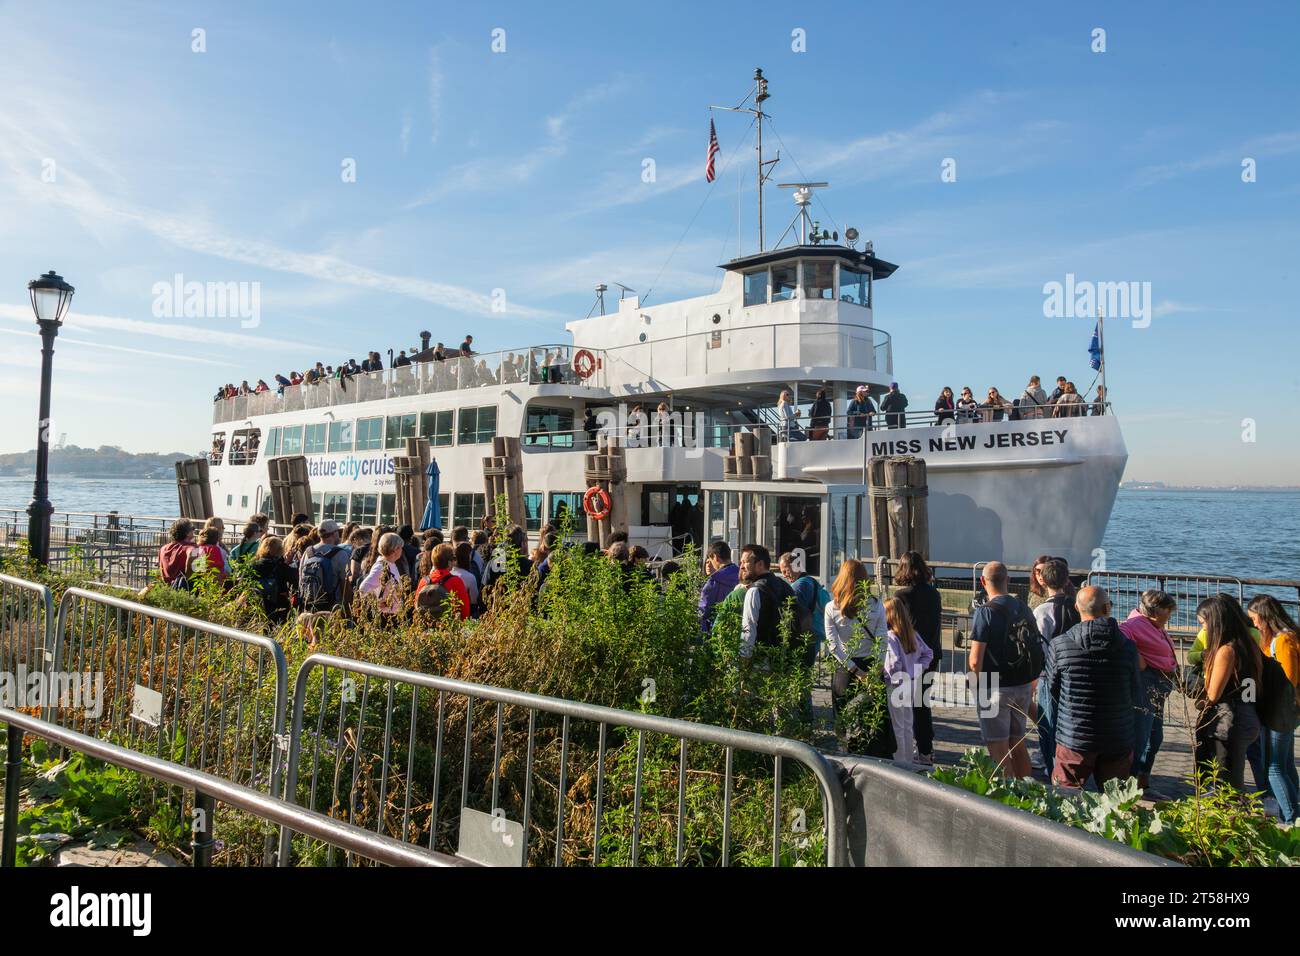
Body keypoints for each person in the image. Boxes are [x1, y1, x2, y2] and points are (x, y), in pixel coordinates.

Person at [1047, 586, 1139, 788]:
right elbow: (1135, 690)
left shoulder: (1060, 645)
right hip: (1118, 735)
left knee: (1065, 799)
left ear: (1077, 607)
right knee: (1116, 802)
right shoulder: (1128, 647)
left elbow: (1053, 688)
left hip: (1074, 735)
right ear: (1107, 608)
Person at [968, 561, 1039, 778]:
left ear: (983, 581)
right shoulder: (1024, 608)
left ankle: (1007, 797)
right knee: (1017, 744)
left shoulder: (985, 613)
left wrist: (974, 687)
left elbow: (974, 660)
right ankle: (1026, 789)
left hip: (995, 688)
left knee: (997, 748)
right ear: (1008, 580)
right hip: (1023, 685)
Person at [1194, 594, 1263, 791]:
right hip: (1249, 714)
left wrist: (1201, 701)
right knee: (1235, 776)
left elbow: (1213, 694)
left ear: (1216, 621)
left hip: (1229, 720)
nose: (1203, 628)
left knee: (1222, 783)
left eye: (1203, 622)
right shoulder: (1249, 643)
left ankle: (1225, 818)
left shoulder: (1227, 650)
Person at [1118, 589, 1179, 794]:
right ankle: (1130, 785)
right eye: (1167, 611)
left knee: (1156, 736)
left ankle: (1142, 781)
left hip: (1159, 685)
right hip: (1147, 684)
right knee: (1142, 736)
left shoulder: (1154, 624)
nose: (1170, 615)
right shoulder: (1134, 624)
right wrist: (1137, 655)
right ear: (1154, 611)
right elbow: (1121, 638)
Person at [1246, 595, 1300, 822]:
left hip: (1279, 710)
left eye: (1255, 619)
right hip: (1285, 710)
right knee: (1285, 763)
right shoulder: (1288, 636)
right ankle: (1295, 809)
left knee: (1274, 767)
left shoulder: (1283, 641)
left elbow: (1289, 678)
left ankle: (1290, 817)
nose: (1254, 624)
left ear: (1265, 617)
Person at [1031, 558, 1081, 779]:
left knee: (1047, 723)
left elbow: (1039, 646)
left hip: (1049, 674)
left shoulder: (1042, 611)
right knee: (1070, 724)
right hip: (1077, 673)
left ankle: (1051, 767)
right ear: (1067, 579)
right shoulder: (1077, 607)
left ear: (1043, 581)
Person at [893, 551, 943, 765]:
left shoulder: (901, 596)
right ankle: (926, 750)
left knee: (905, 704)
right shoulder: (935, 593)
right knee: (922, 703)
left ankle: (906, 748)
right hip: (930, 654)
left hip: (908, 656)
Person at [824, 559, 887, 718]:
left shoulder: (832, 607)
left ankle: (842, 743)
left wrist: (855, 670)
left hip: (845, 665)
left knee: (842, 717)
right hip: (871, 663)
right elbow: (882, 641)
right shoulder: (876, 605)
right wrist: (877, 669)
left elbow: (833, 646)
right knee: (872, 718)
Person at [883, 597, 934, 769]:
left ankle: (900, 762)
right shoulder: (912, 633)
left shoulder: (890, 636)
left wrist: (892, 677)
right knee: (907, 723)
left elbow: (893, 663)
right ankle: (909, 761)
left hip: (897, 685)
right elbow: (928, 653)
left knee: (897, 725)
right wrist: (917, 671)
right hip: (911, 682)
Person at [737, 544, 796, 661]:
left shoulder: (754, 591)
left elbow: (748, 629)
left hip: (761, 661)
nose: (741, 567)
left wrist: (744, 660)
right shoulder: (785, 586)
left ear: (760, 564)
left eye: (745, 562)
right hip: (784, 660)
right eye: (741, 562)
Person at [779, 552, 830, 667]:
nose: (784, 575)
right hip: (816, 633)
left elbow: (793, 615)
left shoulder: (799, 586)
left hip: (804, 638)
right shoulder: (812, 581)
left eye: (786, 570)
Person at [298, 520, 350, 612]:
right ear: (334, 534)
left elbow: (300, 579)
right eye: (338, 532)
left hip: (309, 606)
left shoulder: (308, 552)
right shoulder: (340, 553)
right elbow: (345, 585)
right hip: (332, 608)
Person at [415, 543, 471, 620]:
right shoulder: (456, 581)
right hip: (448, 626)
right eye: (453, 558)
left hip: (426, 625)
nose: (454, 561)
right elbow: (465, 610)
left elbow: (417, 605)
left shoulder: (424, 581)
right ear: (449, 562)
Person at [250, 535, 297, 625]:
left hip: (258, 605)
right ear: (280, 550)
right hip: (279, 607)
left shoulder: (254, 564)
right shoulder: (281, 567)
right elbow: (293, 582)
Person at [358, 532, 407, 617]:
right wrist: (377, 602)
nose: (402, 550)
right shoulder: (381, 567)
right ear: (395, 549)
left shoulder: (391, 563)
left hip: (393, 614)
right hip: (385, 616)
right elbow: (363, 588)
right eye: (400, 548)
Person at [698, 540, 740, 634]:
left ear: (716, 557)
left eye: (710, 560)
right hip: (739, 627)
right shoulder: (741, 576)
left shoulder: (714, 580)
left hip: (718, 630)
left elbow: (704, 609)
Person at [158, 519, 197, 588]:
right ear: (187, 533)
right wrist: (189, 577)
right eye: (193, 529)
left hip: (168, 589)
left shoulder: (163, 549)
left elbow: (161, 571)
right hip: (185, 589)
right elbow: (192, 553)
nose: (194, 531)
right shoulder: (192, 548)